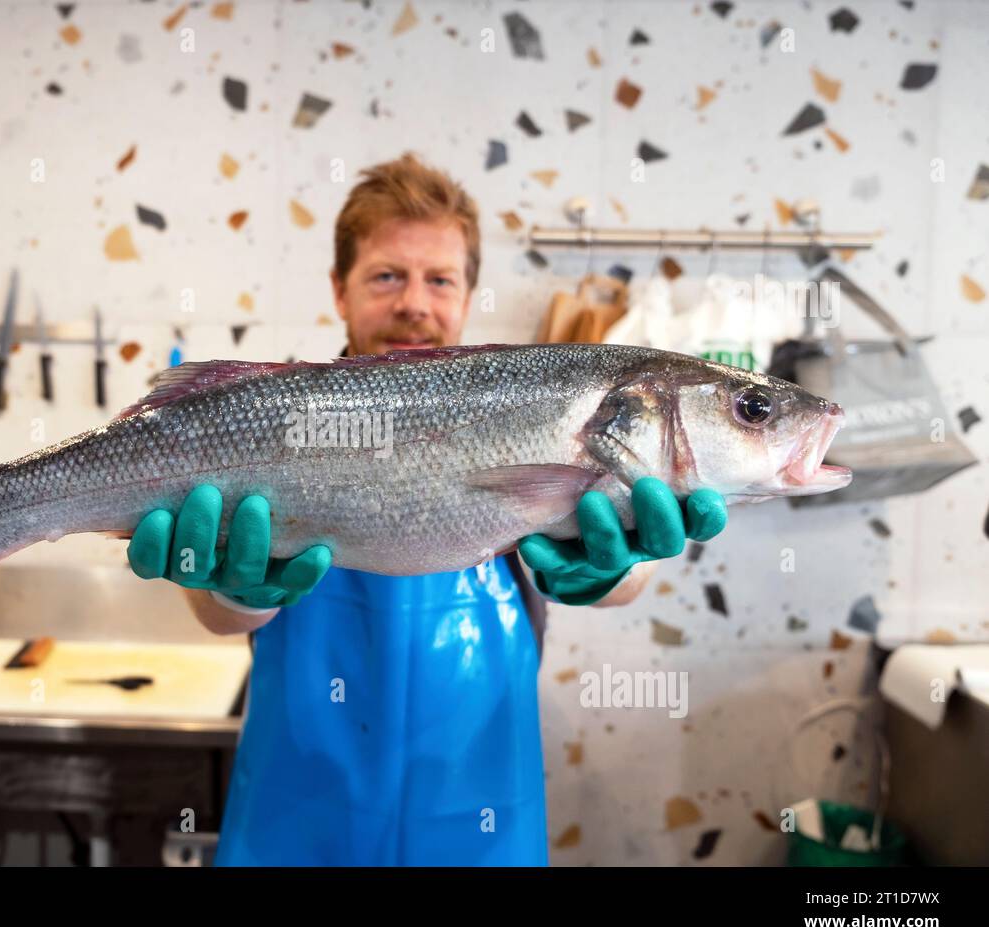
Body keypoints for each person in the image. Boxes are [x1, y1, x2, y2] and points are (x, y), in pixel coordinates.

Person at [126, 153, 727, 866]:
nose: (415, 302)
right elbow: (221, 618)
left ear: (468, 295)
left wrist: (605, 569)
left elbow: (624, 585)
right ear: (339, 291)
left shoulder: (526, 414)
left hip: (478, 826)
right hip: (298, 823)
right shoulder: (270, 421)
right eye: (387, 276)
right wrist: (228, 584)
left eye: (439, 279)